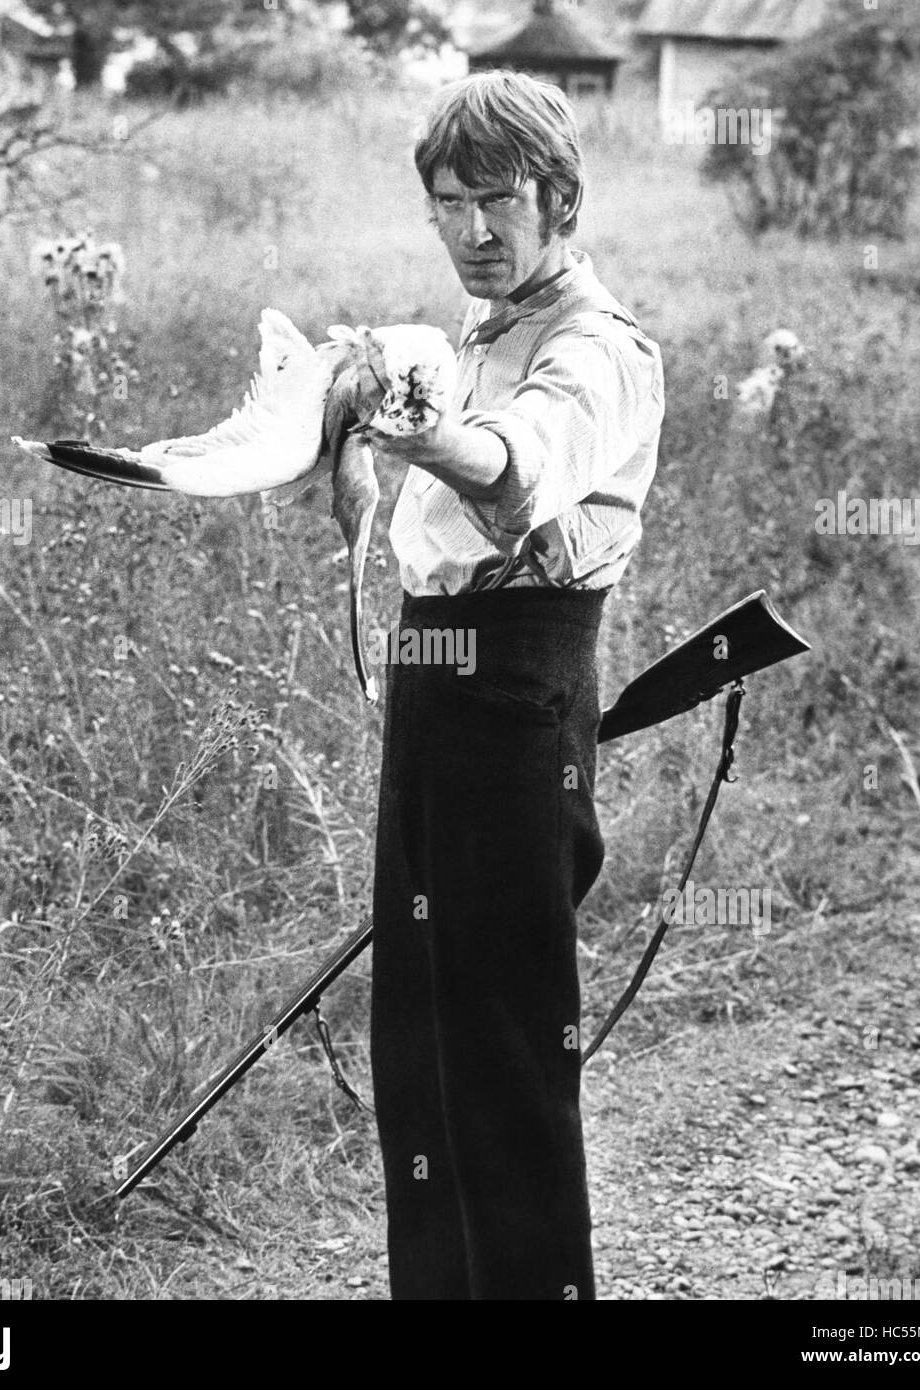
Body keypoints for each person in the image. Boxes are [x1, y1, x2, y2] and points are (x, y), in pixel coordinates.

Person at [367, 71, 665, 1301]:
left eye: (497, 202)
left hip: (516, 694)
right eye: (449, 204)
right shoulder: (465, 339)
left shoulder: (598, 352)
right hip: (433, 686)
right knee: (417, 1042)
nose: (473, 233)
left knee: (500, 1052)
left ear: (561, 198)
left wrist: (414, 431)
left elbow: (513, 471)